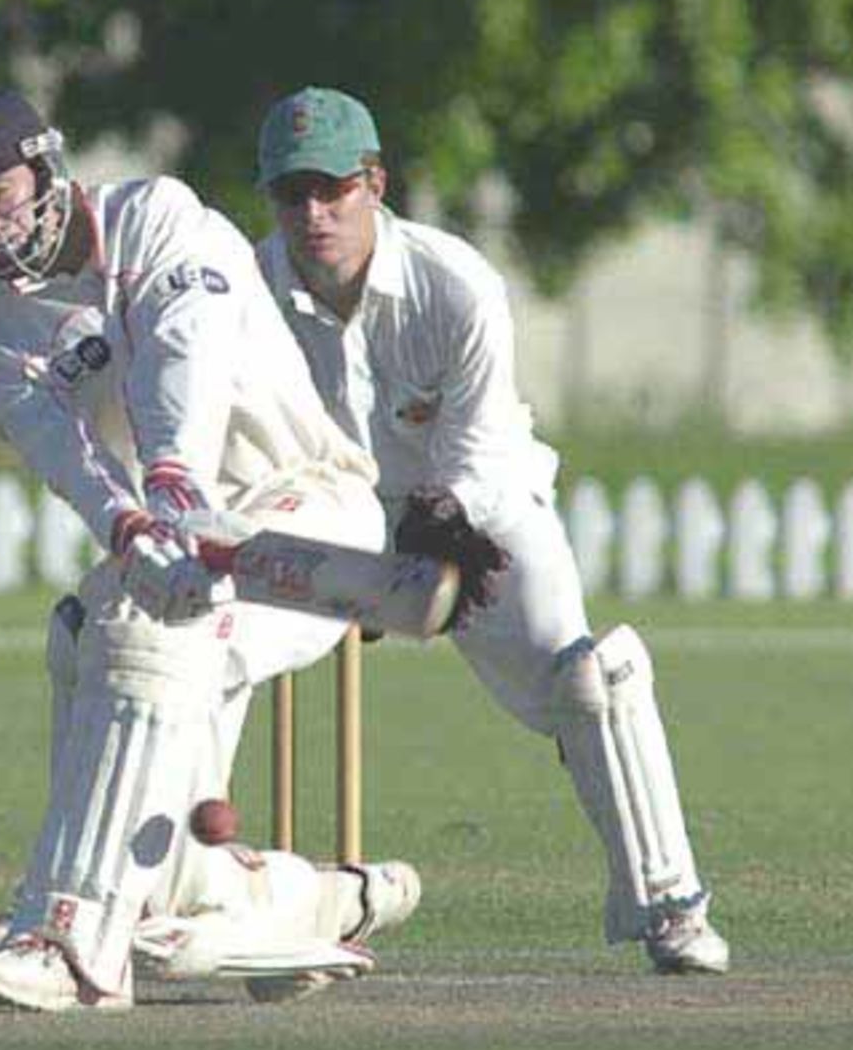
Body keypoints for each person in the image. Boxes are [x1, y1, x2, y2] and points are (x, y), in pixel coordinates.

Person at [0, 84, 420, 1012]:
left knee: (149, 634)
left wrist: (175, 480)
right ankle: (324, 898)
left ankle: (70, 941)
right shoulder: (8, 351)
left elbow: (188, 346)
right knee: (84, 629)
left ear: (45, 167)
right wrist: (132, 528)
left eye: (1, 189)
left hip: (311, 506)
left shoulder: (157, 216)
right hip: (182, 530)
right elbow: (74, 465)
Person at [253, 85, 730, 975]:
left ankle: (671, 907)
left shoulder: (456, 285)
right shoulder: (251, 290)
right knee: (190, 646)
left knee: (588, 680)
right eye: (291, 195)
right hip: (340, 511)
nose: (312, 214)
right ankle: (130, 904)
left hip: (482, 509)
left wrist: (406, 574)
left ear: (375, 183)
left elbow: (470, 459)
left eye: (332, 190)